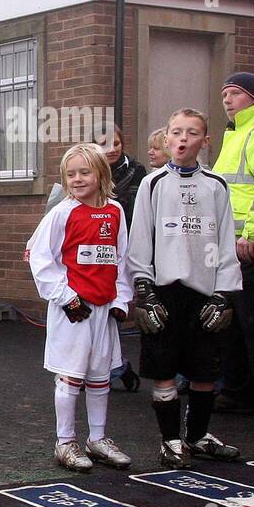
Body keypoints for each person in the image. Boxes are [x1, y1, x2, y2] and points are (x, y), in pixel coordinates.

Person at [127, 108, 242, 466]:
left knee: (204, 371)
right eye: (175, 132)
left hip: (204, 292)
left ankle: (197, 436)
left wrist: (224, 294)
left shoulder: (216, 185)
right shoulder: (153, 183)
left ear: (204, 142)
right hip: (164, 291)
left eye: (191, 133)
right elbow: (141, 240)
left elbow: (225, 241)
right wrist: (143, 289)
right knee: (163, 369)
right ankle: (171, 440)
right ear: (166, 138)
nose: (182, 139)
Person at [27, 143, 133, 472]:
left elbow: (121, 260)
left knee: (100, 375)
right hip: (74, 309)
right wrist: (66, 297)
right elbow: (41, 258)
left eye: (84, 172)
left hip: (102, 309)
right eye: (70, 174)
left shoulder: (115, 211)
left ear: (101, 174)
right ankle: (65, 441)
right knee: (71, 376)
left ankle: (98, 438)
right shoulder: (61, 213)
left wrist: (121, 299)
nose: (76, 179)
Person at [210, 72, 254, 424]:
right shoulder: (234, 135)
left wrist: (253, 235)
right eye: (224, 94)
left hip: (250, 245)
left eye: (235, 93)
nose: (227, 100)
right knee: (233, 326)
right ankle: (237, 391)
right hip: (230, 244)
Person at [102, 125, 145, 393]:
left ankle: (114, 367)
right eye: (106, 143)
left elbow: (137, 209)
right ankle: (113, 368)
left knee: (111, 311)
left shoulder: (135, 170)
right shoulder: (88, 170)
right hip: (94, 248)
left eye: (117, 142)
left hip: (123, 245)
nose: (112, 148)